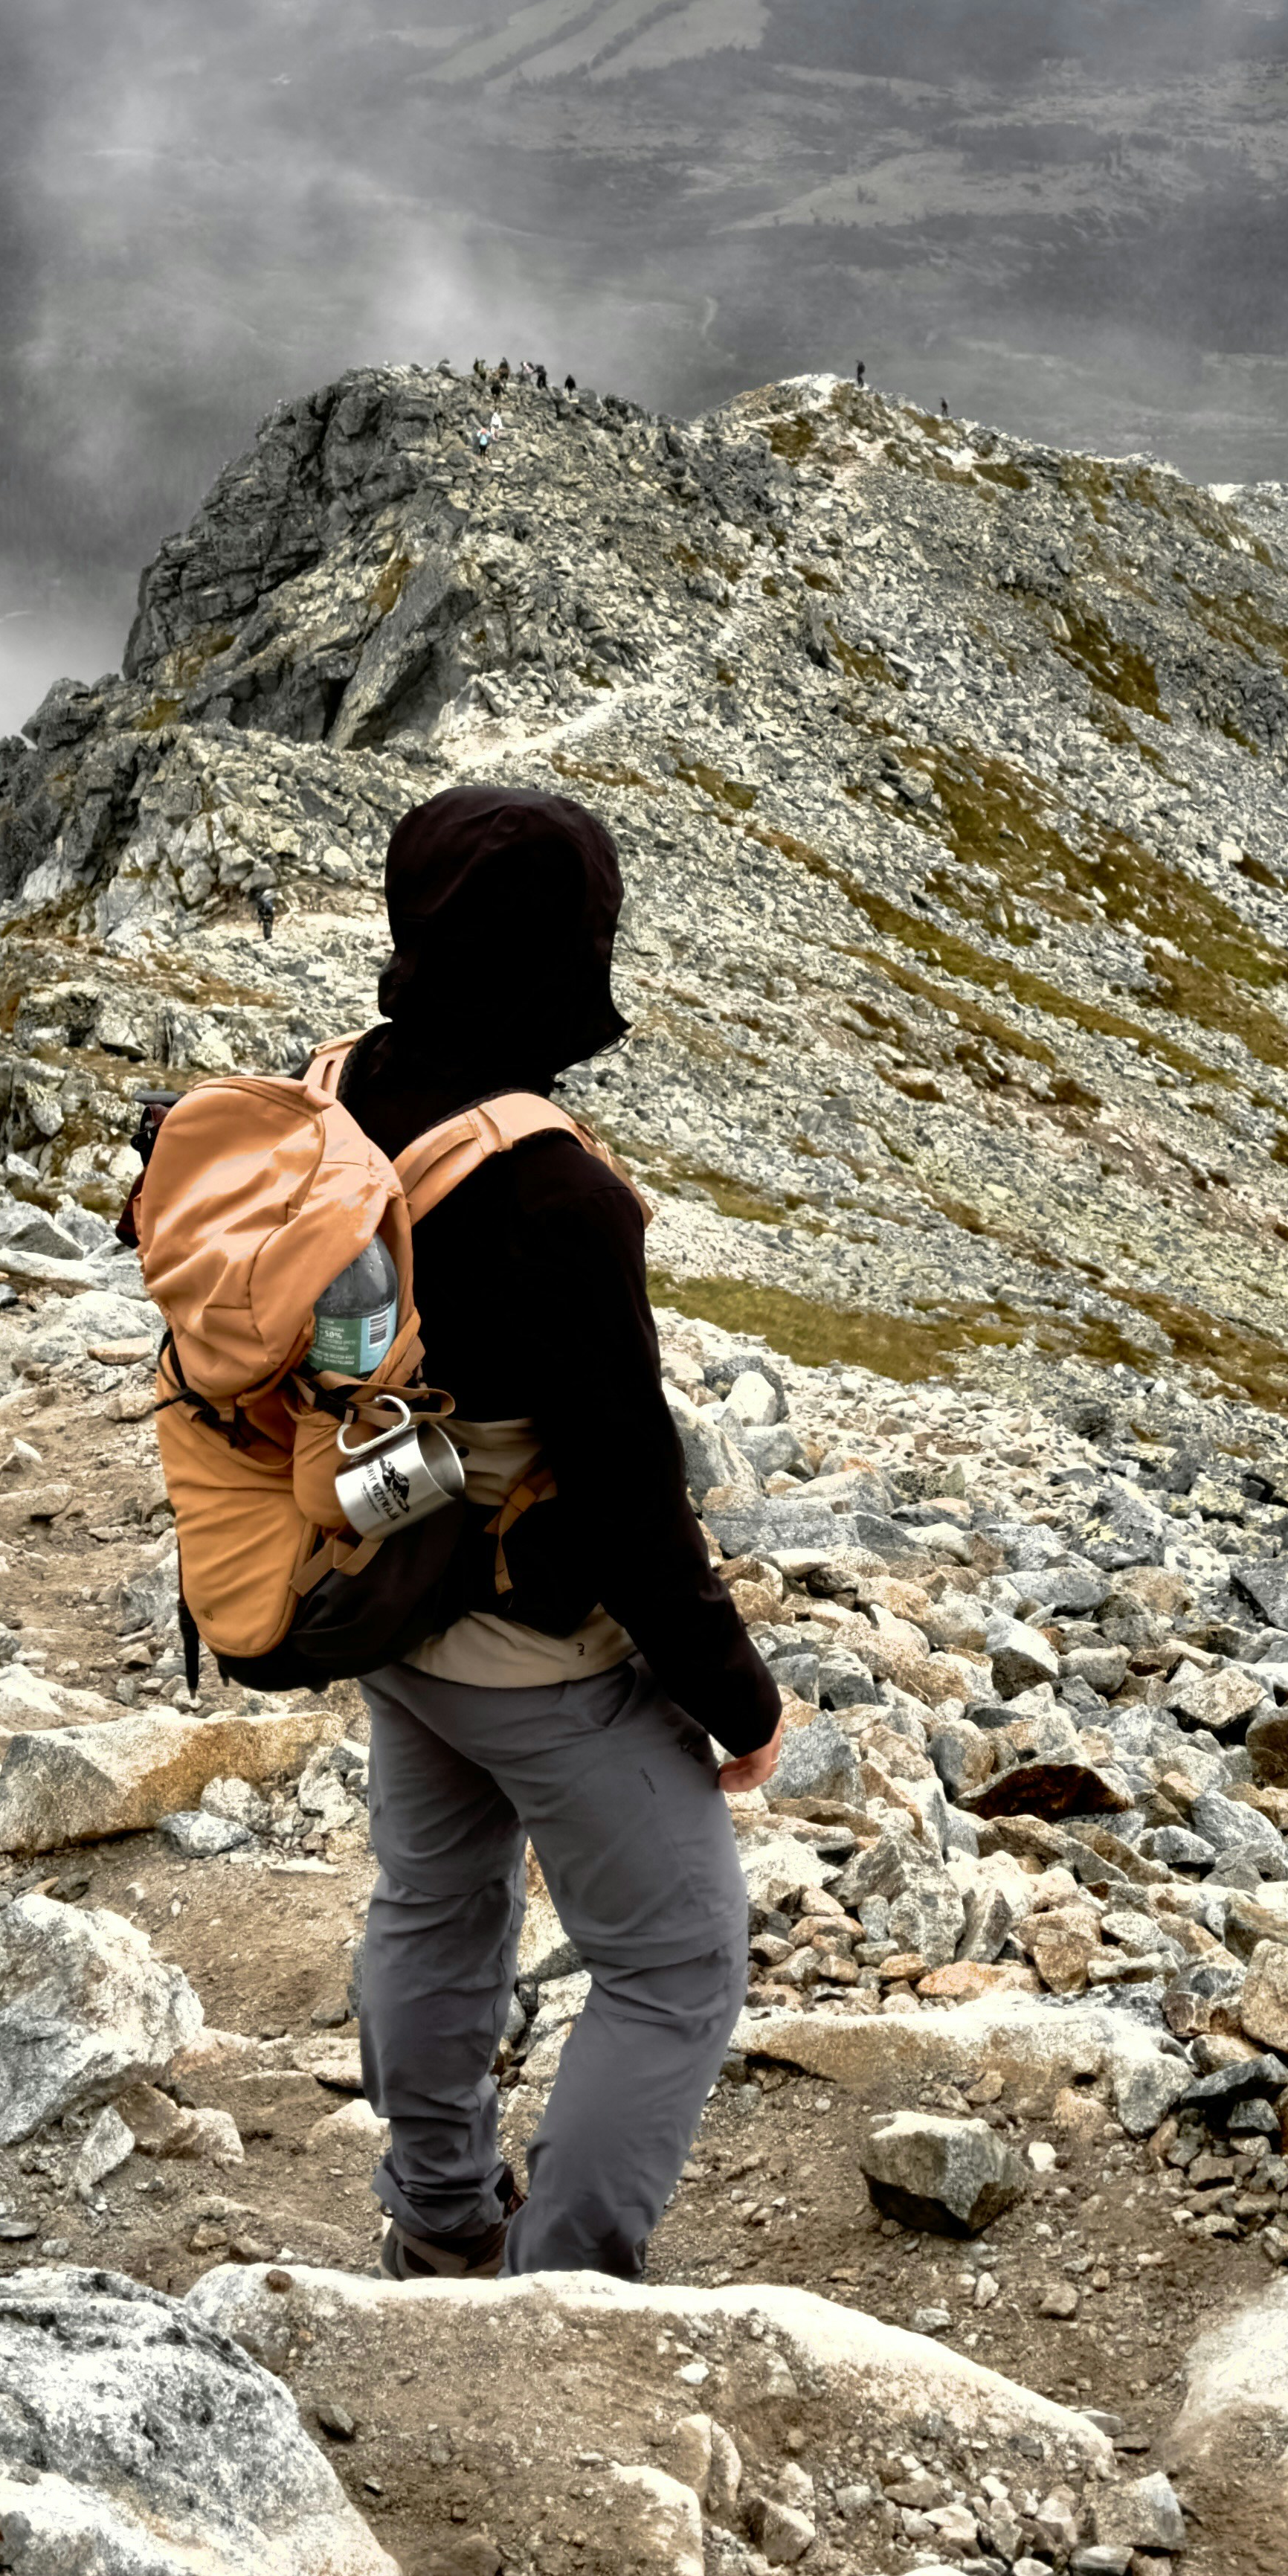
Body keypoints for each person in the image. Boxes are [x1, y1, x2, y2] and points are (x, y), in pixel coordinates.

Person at [336, 780, 785, 2279]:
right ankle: (562, 2300)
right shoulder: (550, 1189)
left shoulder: (342, 1087)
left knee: (435, 1904)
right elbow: (623, 1481)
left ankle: (443, 2224)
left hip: (381, 1592)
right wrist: (737, 1697)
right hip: (539, 1647)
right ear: (566, 951)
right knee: (673, 1964)